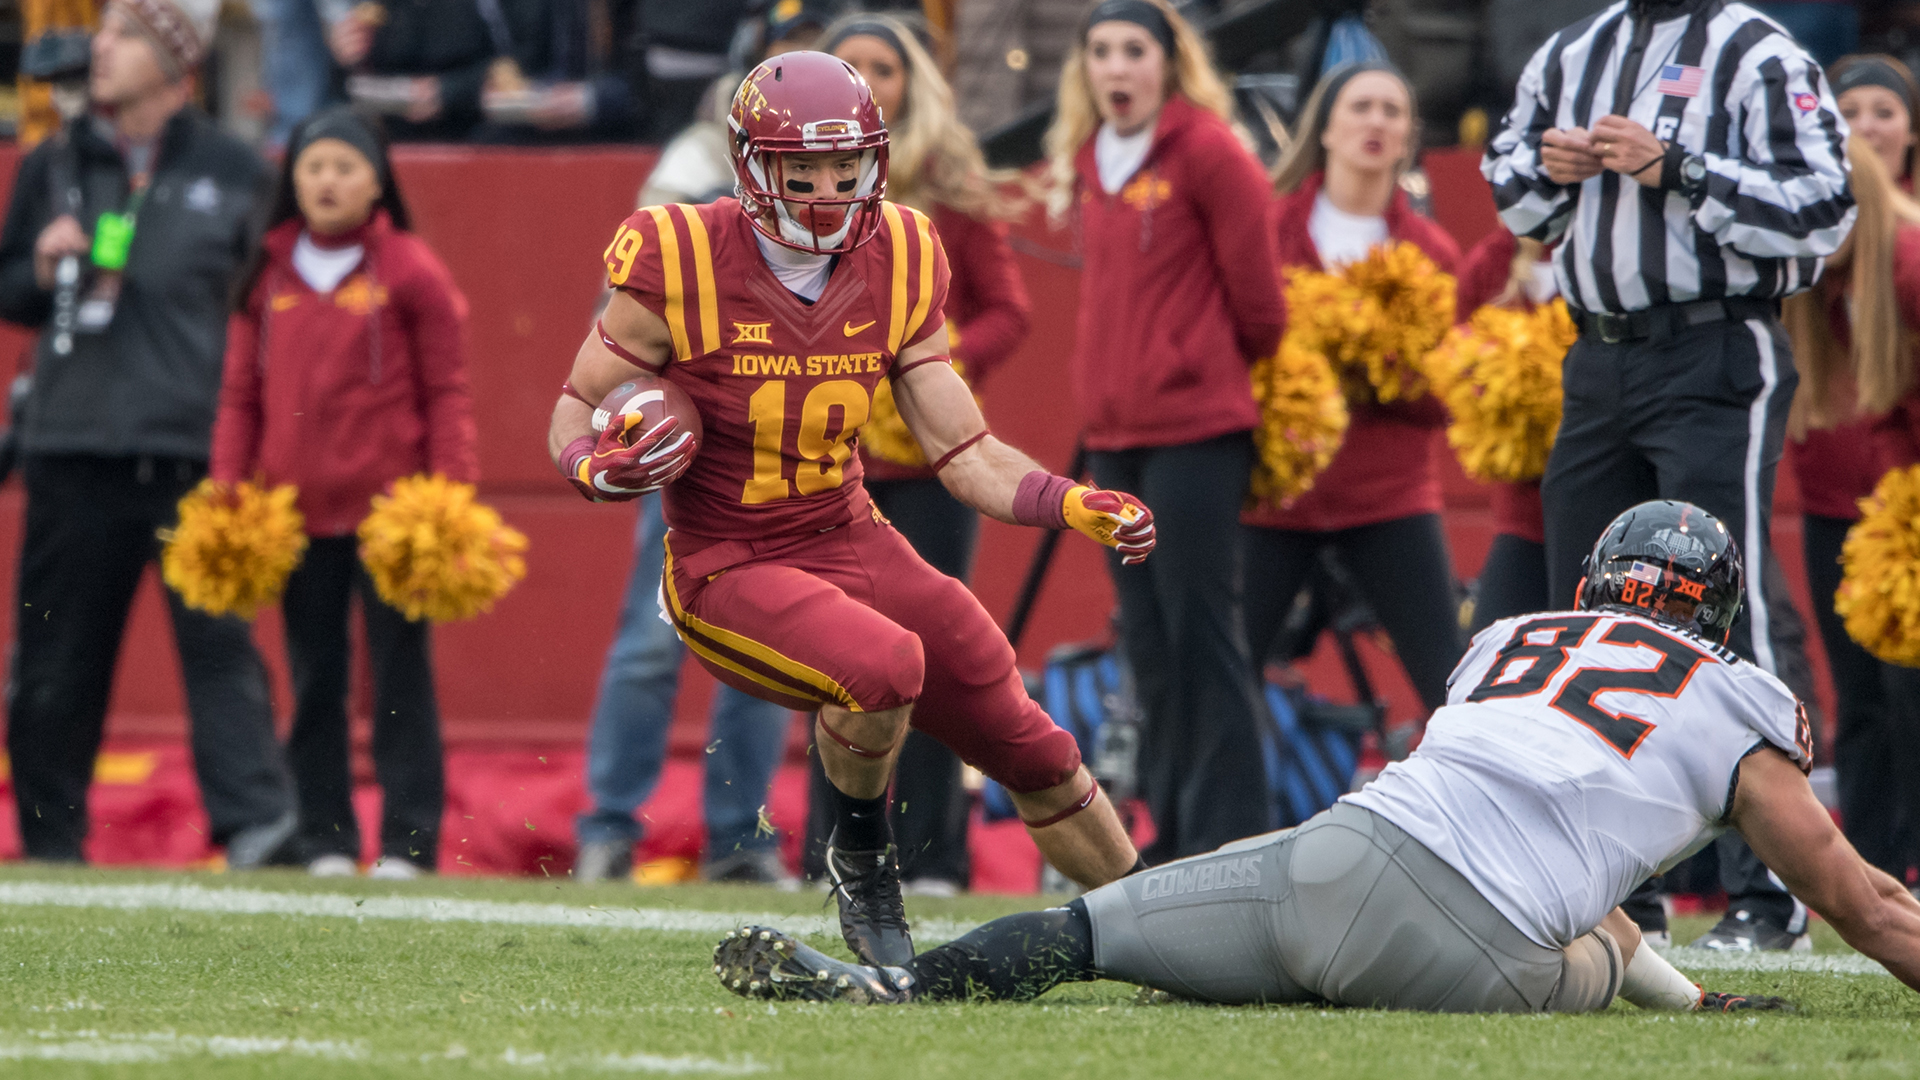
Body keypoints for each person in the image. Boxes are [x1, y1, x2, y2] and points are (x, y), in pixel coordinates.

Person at [716, 501, 1920, 1013]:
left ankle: (897, 989)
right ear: (1719, 609)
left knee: (1088, 931)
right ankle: (1684, 998)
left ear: (1598, 584)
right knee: (1595, 931)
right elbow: (1861, 905)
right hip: (1474, 949)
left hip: (1334, 857)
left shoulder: (1512, 637)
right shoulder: (1732, 697)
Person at [546, 50, 1151, 967]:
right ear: (752, 166)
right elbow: (574, 404)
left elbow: (965, 450)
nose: (830, 192)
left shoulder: (901, 251)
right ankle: (863, 861)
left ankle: (1158, 927)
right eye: (804, 173)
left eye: (846, 167)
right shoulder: (681, 253)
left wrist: (1067, 501)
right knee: (884, 665)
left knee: (1027, 734)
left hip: (845, 530)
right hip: (726, 559)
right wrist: (595, 467)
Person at [1483, 0, 1854, 952]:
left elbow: (1825, 204)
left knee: (1732, 610)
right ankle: (1617, 896)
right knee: (1586, 620)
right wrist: (1551, 169)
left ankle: (1770, 894)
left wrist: (1682, 168)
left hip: (1713, 342)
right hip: (1596, 354)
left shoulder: (1758, 50)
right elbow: (1511, 190)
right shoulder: (1573, 50)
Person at [0, 0, 297, 868]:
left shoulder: (235, 170)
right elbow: (10, 289)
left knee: (221, 651)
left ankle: (258, 829)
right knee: (55, 659)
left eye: (125, 34)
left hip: (190, 451)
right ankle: (51, 840)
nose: (101, 47)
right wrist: (41, 265)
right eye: (103, 32)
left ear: (176, 61)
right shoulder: (54, 161)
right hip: (71, 445)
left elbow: (272, 308)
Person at [1043, 0, 1282, 863]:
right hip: (1115, 436)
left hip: (1196, 432)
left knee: (1201, 631)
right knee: (1146, 641)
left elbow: (1263, 307)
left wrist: (1187, 361)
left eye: (1134, 50)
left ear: (1170, 63)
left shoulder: (1211, 152)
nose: (1117, 67)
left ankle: (1234, 835)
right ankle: (1175, 836)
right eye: (1101, 50)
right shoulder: (1088, 157)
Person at [802, 11, 1033, 894]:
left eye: (883, 68)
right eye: (849, 65)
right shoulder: (789, 189)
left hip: (930, 469)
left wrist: (930, 370)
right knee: (829, 655)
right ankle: (831, 849)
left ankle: (935, 855)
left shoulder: (948, 183)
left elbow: (1009, 310)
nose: (867, 80)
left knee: (931, 652)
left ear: (912, 85)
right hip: (828, 461)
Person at [212, 108, 475, 879]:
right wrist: (227, 490)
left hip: (395, 519)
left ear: (376, 181)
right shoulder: (266, 270)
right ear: (292, 179)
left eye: (344, 167)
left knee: (399, 679)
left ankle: (408, 844)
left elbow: (447, 392)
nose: (327, 181)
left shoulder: (411, 268)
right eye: (313, 167)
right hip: (296, 518)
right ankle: (324, 839)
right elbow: (239, 396)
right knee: (314, 681)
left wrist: (451, 497)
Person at [1242, 61, 1467, 732]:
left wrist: (1381, 367)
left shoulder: (1431, 251)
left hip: (1387, 495)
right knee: (1221, 683)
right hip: (1273, 498)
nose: (1376, 122)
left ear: (1408, 139)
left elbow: (1450, 396)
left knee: (1453, 687)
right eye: (1360, 107)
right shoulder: (1267, 230)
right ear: (1325, 129)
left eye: (1392, 112)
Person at [1781, 67, 1920, 888]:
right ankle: (1869, 877)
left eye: (1884, 110)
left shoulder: (1905, 262)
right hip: (1842, 508)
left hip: (1905, 509)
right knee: (1861, 700)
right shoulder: (1817, 280)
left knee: (1910, 697)